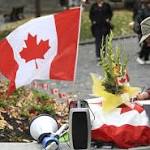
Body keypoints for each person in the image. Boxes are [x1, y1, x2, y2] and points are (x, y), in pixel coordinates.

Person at [134, 0, 150, 64]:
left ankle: (146, 58)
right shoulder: (143, 10)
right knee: (146, 44)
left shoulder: (148, 9)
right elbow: (139, 19)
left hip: (149, 29)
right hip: (145, 30)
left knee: (148, 45)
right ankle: (140, 57)